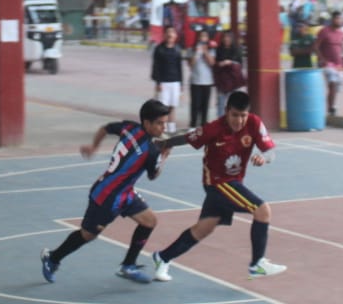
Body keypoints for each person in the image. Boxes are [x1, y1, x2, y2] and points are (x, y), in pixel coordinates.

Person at [40, 99, 187, 285]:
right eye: (159, 123)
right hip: (107, 196)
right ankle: (52, 258)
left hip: (123, 192)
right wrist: (164, 157)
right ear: (147, 123)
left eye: (164, 123)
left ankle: (128, 265)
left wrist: (94, 146)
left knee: (149, 221)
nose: (162, 127)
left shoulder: (129, 127)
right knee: (88, 235)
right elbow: (153, 176)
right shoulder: (151, 151)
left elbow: (106, 128)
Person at [151, 90, 285, 281]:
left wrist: (263, 157)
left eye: (243, 115)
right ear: (226, 111)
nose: (239, 120)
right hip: (217, 183)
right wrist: (163, 144)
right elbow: (187, 137)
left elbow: (271, 151)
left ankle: (163, 257)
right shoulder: (213, 128)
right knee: (262, 210)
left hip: (232, 183)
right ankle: (257, 264)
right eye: (234, 115)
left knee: (203, 228)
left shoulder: (254, 123)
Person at [312, 10, 343, 117]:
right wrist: (322, 59)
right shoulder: (324, 31)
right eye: (337, 18)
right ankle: (330, 108)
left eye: (341, 19)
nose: (339, 21)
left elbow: (342, 48)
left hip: (339, 64)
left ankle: (332, 104)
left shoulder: (341, 33)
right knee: (332, 84)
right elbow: (316, 46)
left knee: (337, 86)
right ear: (332, 19)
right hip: (328, 64)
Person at [150, 25, 184, 134]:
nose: (170, 35)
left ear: (175, 35)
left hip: (175, 82)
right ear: (164, 35)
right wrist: (158, 82)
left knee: (172, 107)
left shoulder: (177, 49)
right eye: (168, 32)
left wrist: (181, 83)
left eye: (172, 32)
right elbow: (156, 67)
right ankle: (161, 129)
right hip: (163, 82)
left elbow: (180, 68)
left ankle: (172, 129)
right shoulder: (159, 49)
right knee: (162, 109)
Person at [213, 30, 246, 116]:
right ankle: (220, 123)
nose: (226, 39)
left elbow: (240, 65)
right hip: (223, 82)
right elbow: (216, 64)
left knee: (235, 104)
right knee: (221, 104)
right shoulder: (219, 50)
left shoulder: (237, 49)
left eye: (228, 37)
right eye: (224, 37)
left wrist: (230, 62)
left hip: (235, 81)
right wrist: (220, 64)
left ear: (232, 38)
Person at [187, 29, 215, 128]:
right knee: (195, 106)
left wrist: (206, 52)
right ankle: (193, 126)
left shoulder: (211, 50)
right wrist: (197, 53)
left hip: (207, 82)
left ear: (208, 38)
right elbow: (190, 64)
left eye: (205, 36)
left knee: (205, 106)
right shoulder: (191, 49)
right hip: (195, 81)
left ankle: (204, 127)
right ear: (198, 38)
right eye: (201, 36)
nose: (203, 38)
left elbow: (212, 63)